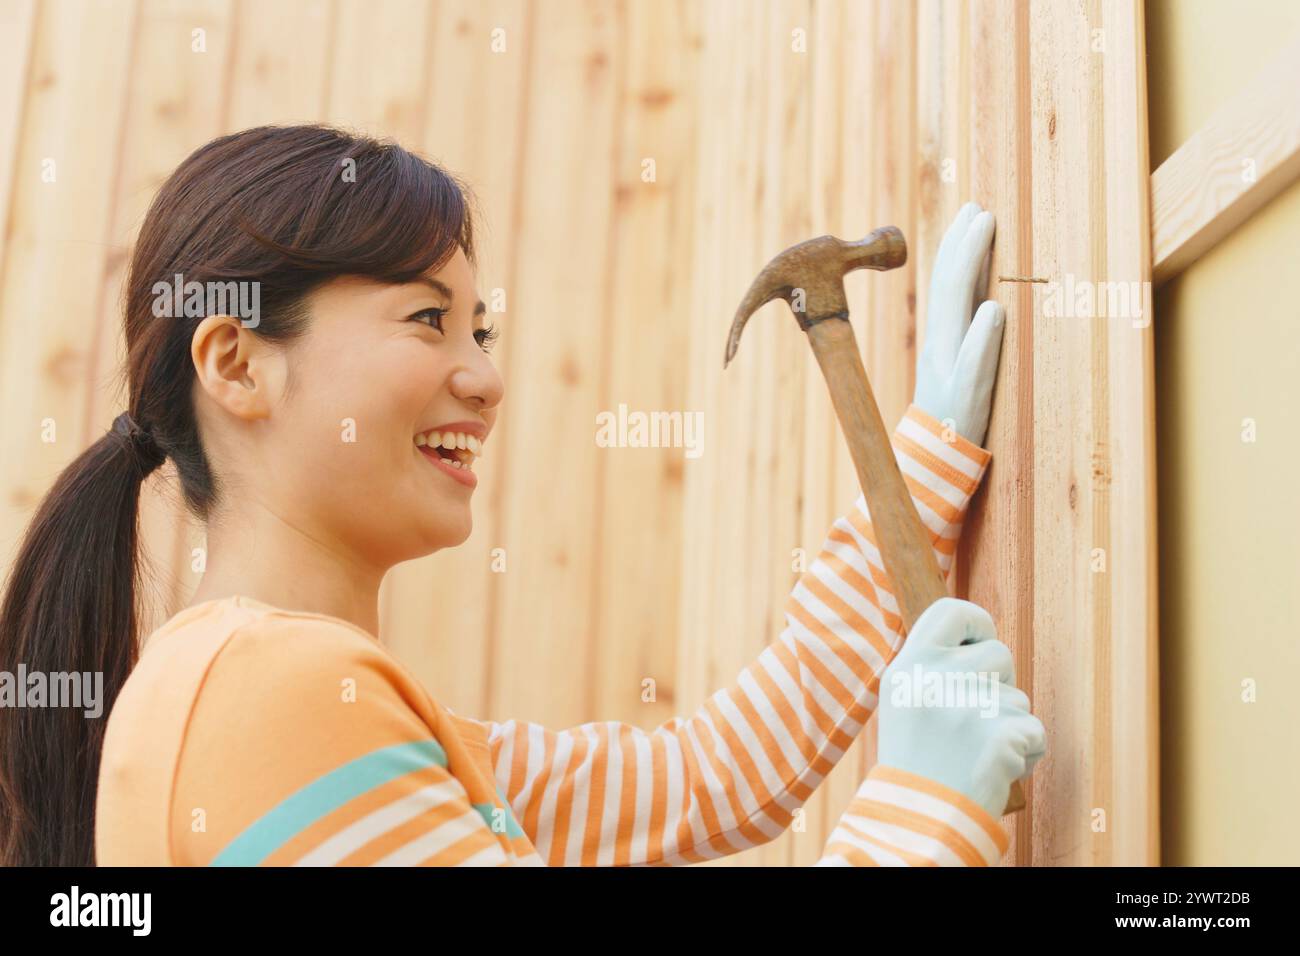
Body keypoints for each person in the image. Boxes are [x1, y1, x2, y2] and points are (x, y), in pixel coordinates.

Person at [0, 125, 1043, 866]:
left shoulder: (324, 707)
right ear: (236, 364)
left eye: (480, 332)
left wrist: (916, 469)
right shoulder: (264, 695)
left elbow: (709, 777)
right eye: (425, 319)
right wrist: (923, 804)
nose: (486, 379)